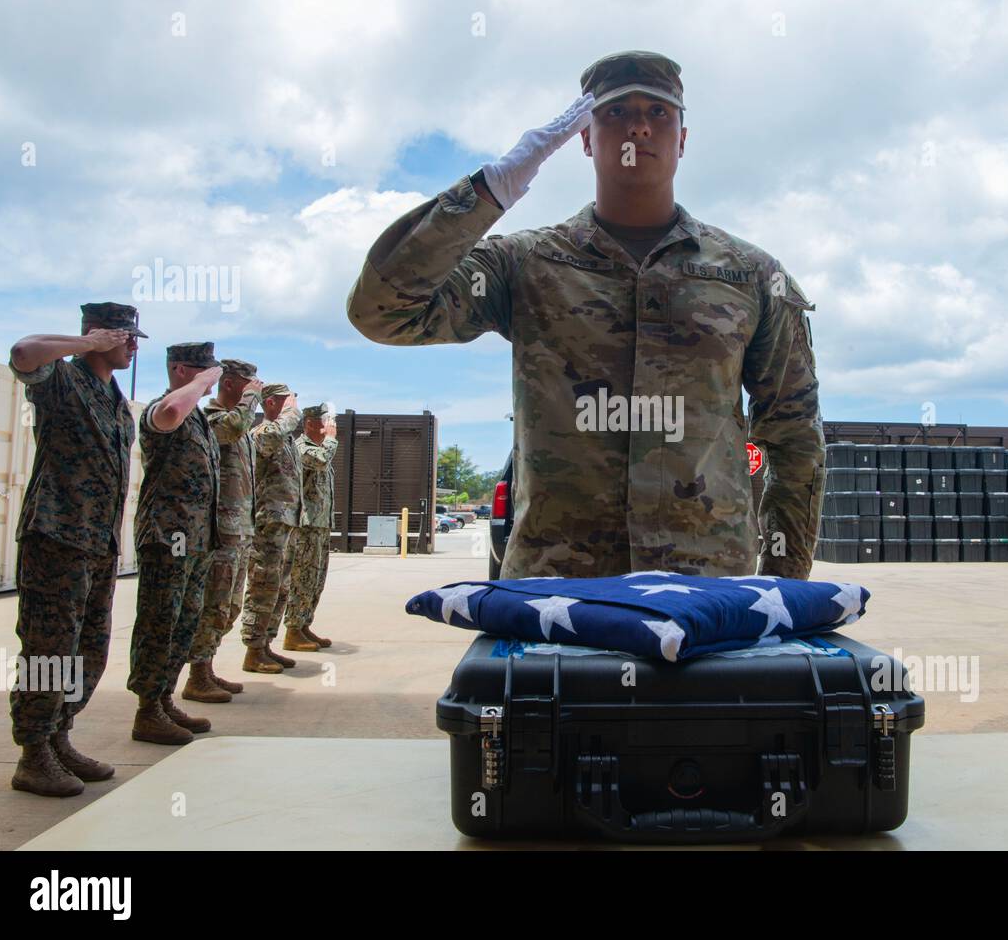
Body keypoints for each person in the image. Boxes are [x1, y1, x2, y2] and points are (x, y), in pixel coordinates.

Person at [346, 50, 825, 580]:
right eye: (616, 112)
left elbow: (794, 435)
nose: (639, 126)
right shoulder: (525, 264)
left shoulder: (753, 276)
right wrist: (489, 190)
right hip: (554, 589)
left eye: (658, 113)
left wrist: (783, 588)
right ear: (585, 138)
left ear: (683, 140)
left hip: (706, 589)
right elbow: (382, 313)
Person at [6, 303, 145, 796]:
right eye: (128, 337)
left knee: (89, 651)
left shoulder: (112, 396)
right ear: (100, 334)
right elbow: (23, 353)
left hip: (99, 541)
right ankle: (34, 753)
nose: (133, 346)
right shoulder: (64, 380)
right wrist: (88, 343)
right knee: (49, 649)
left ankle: (60, 736)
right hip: (57, 538)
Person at [128, 343, 224, 744]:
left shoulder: (198, 419)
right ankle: (147, 710)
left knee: (183, 623)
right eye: (203, 371)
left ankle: (164, 698)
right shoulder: (163, 409)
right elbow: (169, 414)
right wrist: (203, 381)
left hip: (195, 539)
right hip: (168, 536)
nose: (211, 378)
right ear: (181, 370)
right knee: (159, 623)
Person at [182, 359, 263, 702]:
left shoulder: (241, 428)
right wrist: (251, 400)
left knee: (228, 605)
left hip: (240, 528)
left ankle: (208, 667)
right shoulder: (214, 419)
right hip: (220, 530)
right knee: (214, 603)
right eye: (248, 384)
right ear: (229, 384)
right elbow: (232, 426)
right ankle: (196, 675)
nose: (254, 390)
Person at [241, 383, 303, 673]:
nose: (291, 406)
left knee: (280, 588)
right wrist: (290, 415)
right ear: (268, 404)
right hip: (268, 525)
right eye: (284, 401)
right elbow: (270, 437)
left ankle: (266, 645)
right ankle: (253, 650)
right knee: (263, 586)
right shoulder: (263, 434)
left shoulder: (288, 440)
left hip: (287, 523)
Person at [283, 405, 338, 651]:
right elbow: (321, 460)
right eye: (324, 421)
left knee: (316, 579)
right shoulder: (302, 448)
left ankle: (304, 625)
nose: (328, 426)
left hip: (320, 525)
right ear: (309, 423)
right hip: (306, 527)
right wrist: (331, 440)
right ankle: (292, 631)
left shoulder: (318, 448)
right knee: (302, 578)